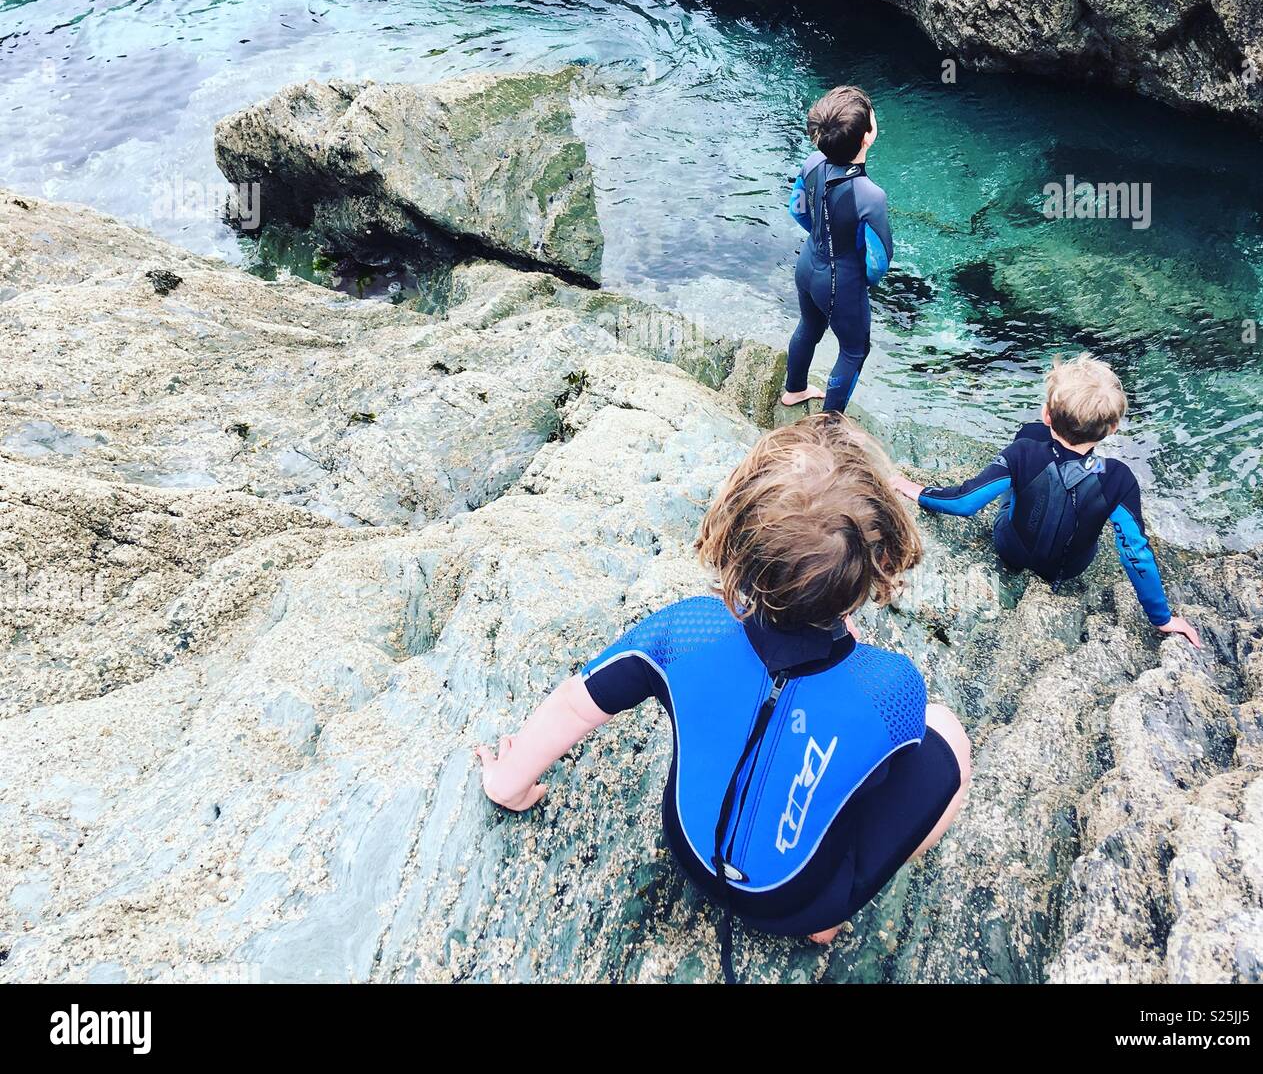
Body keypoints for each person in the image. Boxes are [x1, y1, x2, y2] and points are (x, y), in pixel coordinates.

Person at [478, 414, 971, 981]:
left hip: (690, 845)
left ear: (737, 543)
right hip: (799, 900)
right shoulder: (891, 684)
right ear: (872, 571)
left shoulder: (686, 631)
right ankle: (830, 918)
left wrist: (507, 782)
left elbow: (573, 705)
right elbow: (879, 772)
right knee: (946, 738)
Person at [892, 353, 1201, 647]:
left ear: (1047, 414)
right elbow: (1135, 553)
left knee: (1028, 441)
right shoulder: (1120, 478)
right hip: (1067, 570)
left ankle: (1018, 474)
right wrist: (1162, 619)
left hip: (1010, 549)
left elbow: (965, 503)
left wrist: (915, 490)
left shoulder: (1022, 450)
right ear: (1112, 428)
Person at [782, 85, 893, 414]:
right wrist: (856, 280)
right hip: (839, 281)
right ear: (867, 136)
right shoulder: (871, 196)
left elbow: (797, 208)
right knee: (854, 350)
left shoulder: (812, 162)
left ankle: (794, 390)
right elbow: (879, 262)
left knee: (809, 326)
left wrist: (822, 237)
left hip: (807, 264)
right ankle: (829, 429)